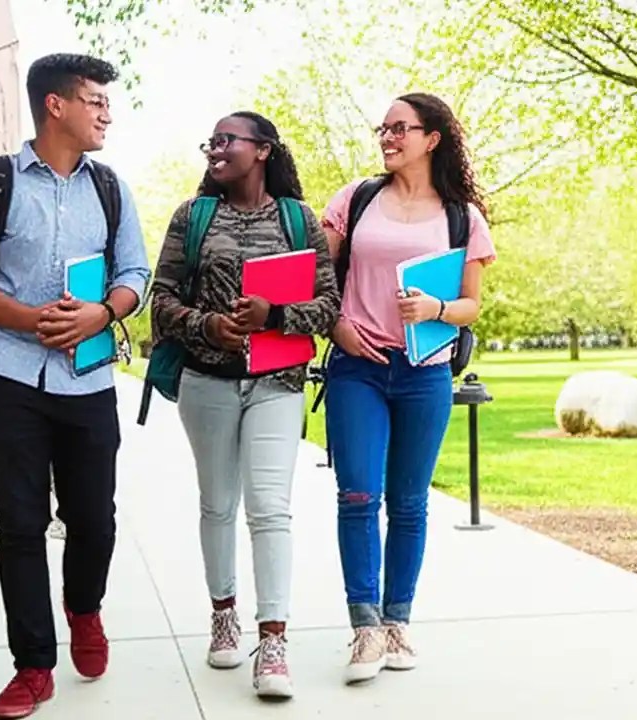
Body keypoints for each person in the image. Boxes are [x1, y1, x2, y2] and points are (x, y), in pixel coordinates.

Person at [0, 53, 150, 720]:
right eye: (95, 100)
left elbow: (135, 274)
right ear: (54, 105)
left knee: (95, 519)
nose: (107, 113)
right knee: (21, 523)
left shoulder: (111, 188)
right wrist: (29, 320)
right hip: (11, 378)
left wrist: (104, 312)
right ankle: (32, 665)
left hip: (88, 378)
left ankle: (83, 607)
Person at [149, 112, 340, 699]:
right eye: (211, 141)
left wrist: (272, 316)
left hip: (277, 382)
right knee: (218, 504)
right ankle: (223, 614)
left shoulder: (298, 219)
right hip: (207, 380)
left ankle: (274, 640)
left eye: (227, 140)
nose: (216, 149)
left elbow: (328, 305)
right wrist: (205, 323)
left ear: (262, 150)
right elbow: (158, 300)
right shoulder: (193, 215)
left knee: (270, 508)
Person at [318, 92, 496, 684]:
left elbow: (470, 305)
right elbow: (319, 279)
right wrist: (337, 326)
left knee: (411, 503)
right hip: (357, 368)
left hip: (425, 372)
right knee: (358, 496)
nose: (388, 137)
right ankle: (364, 628)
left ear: (432, 138)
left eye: (400, 128)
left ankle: (398, 622)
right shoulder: (356, 199)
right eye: (383, 128)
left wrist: (436, 306)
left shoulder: (462, 216)